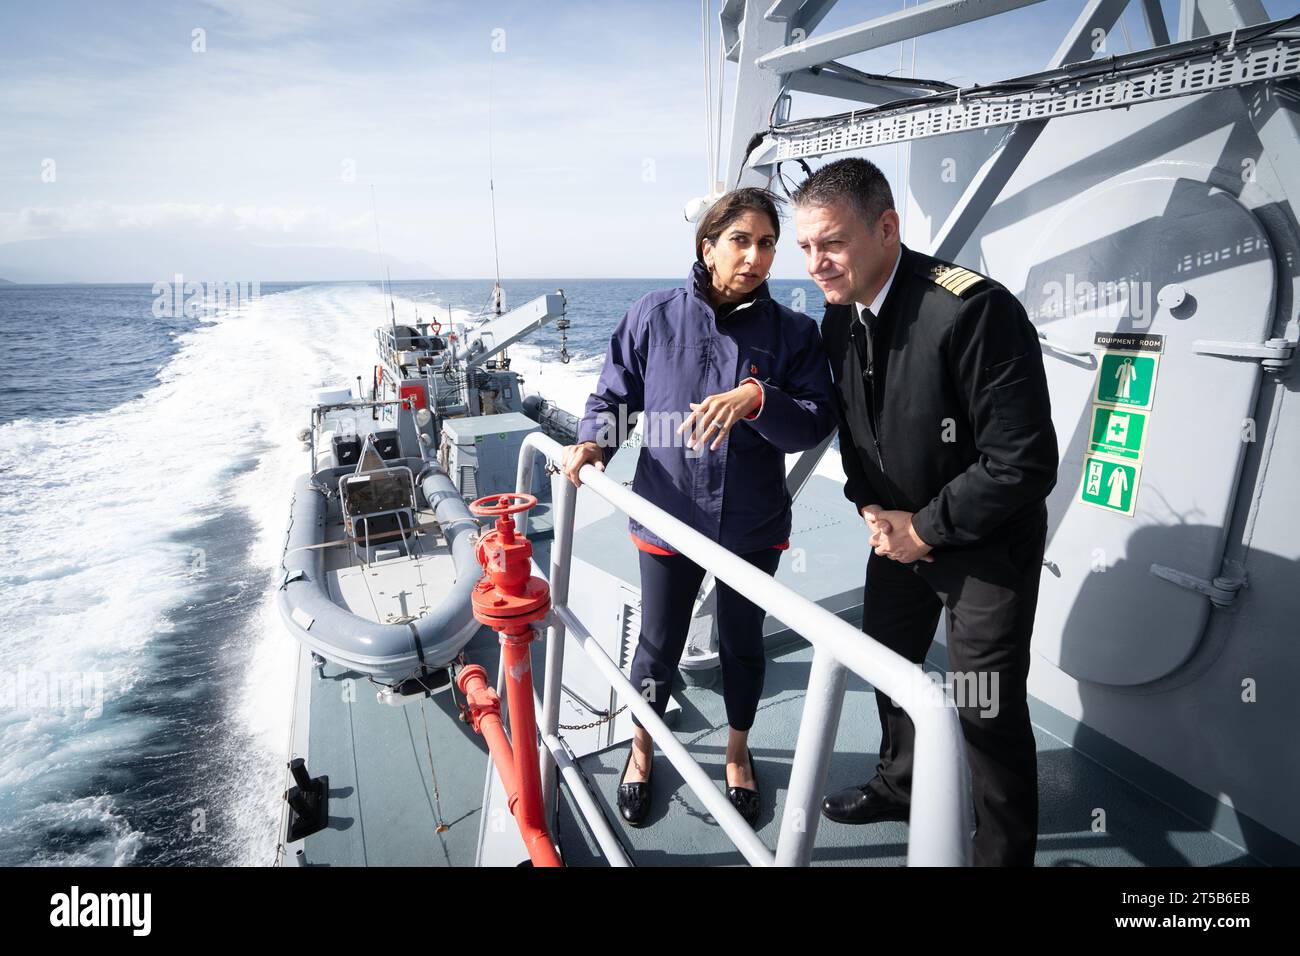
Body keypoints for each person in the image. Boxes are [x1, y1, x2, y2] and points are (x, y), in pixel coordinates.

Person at [792, 158, 1059, 866]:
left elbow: (1024, 461)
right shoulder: (838, 318)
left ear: (886, 228)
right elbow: (858, 430)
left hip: (984, 548)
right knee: (888, 664)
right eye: (806, 249)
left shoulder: (971, 311)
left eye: (832, 244)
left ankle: (1003, 855)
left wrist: (926, 529)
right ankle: (902, 783)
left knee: (985, 710)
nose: (817, 264)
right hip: (896, 537)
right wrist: (871, 506)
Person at [562, 187, 837, 828]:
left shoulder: (793, 332)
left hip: (752, 524)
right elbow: (616, 398)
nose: (756, 256)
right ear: (706, 246)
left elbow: (815, 421)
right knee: (658, 646)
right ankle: (641, 749)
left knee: (744, 646)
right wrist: (592, 447)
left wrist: (758, 398)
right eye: (740, 240)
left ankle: (737, 753)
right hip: (668, 513)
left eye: (767, 243)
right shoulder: (652, 317)